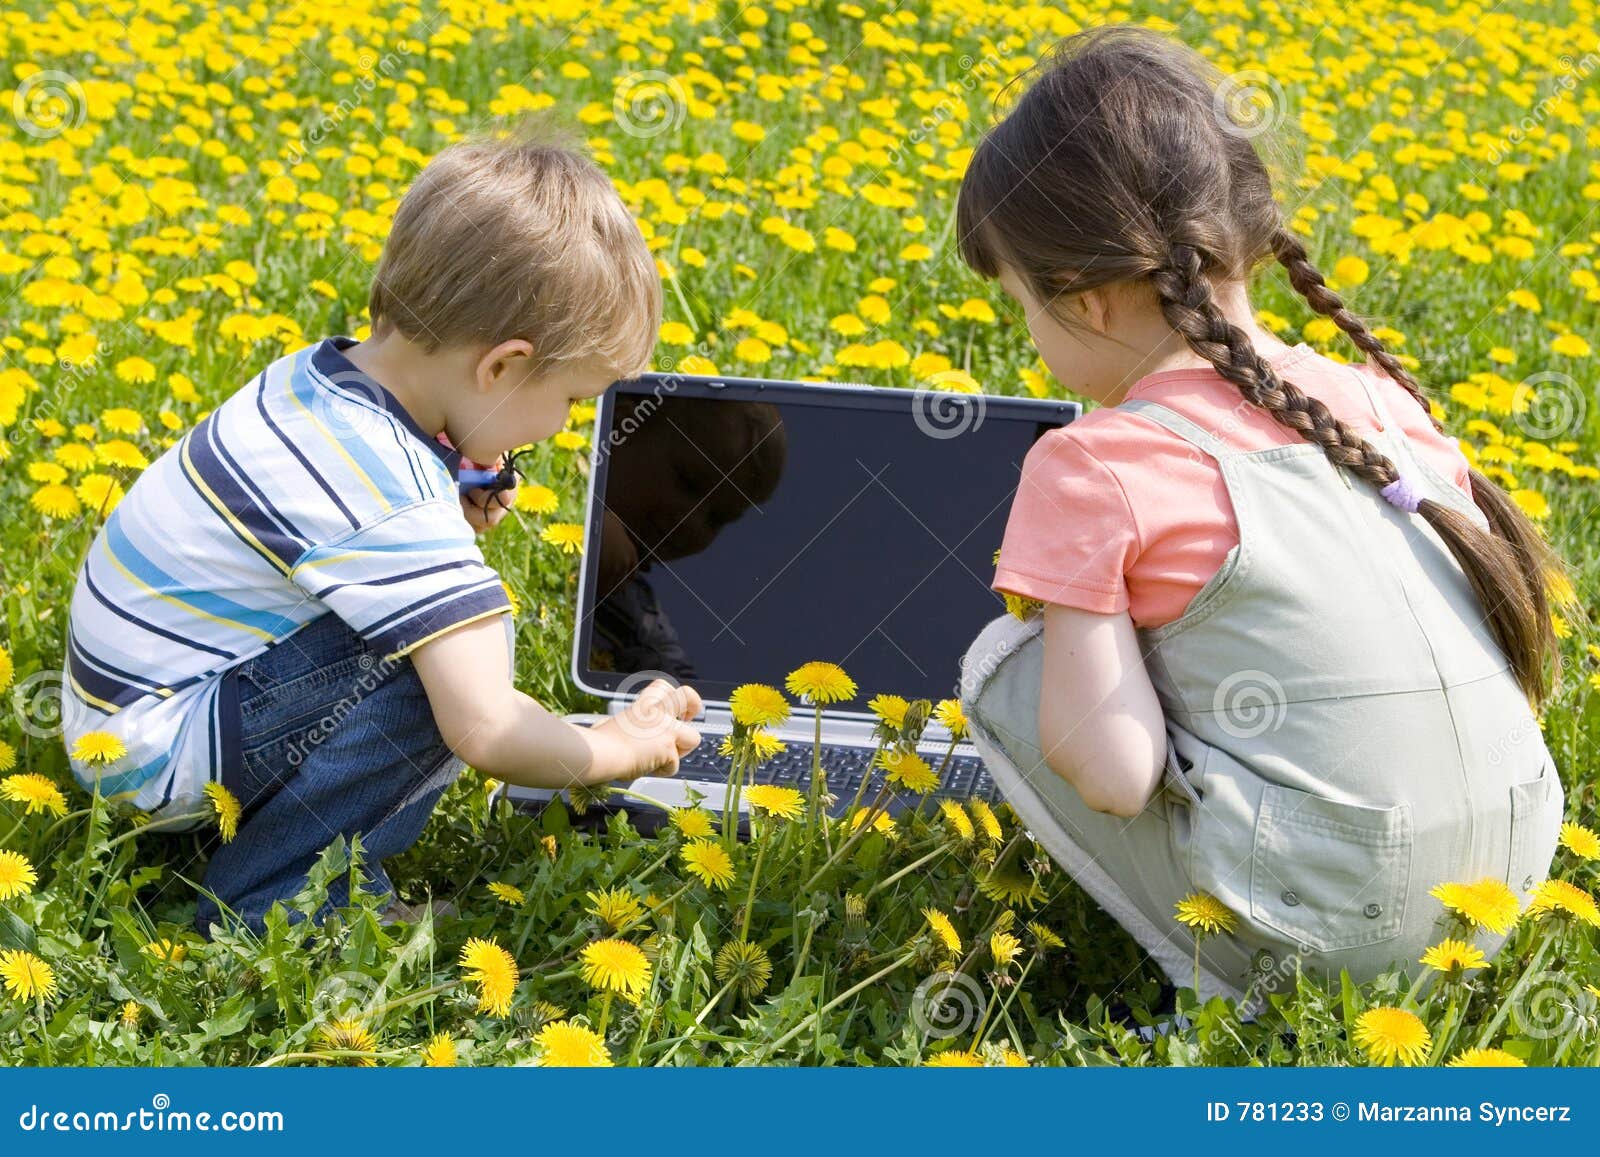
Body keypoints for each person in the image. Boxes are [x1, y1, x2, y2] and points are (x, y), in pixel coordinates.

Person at [954, 26, 1568, 1000]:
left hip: (1324, 931)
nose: (1030, 332)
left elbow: (1115, 775)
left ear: (1089, 299)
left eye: (1023, 303)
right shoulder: (1383, 403)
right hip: (1506, 886)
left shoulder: (1093, 463)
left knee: (1001, 662)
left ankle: (1225, 993)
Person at [61, 124, 703, 935]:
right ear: (502, 367)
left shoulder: (319, 380)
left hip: (125, 718)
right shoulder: (392, 497)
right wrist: (613, 747)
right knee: (435, 672)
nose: (567, 425)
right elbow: (486, 726)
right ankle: (279, 901)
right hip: (151, 757)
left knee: (432, 629)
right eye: (572, 400)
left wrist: (445, 486)